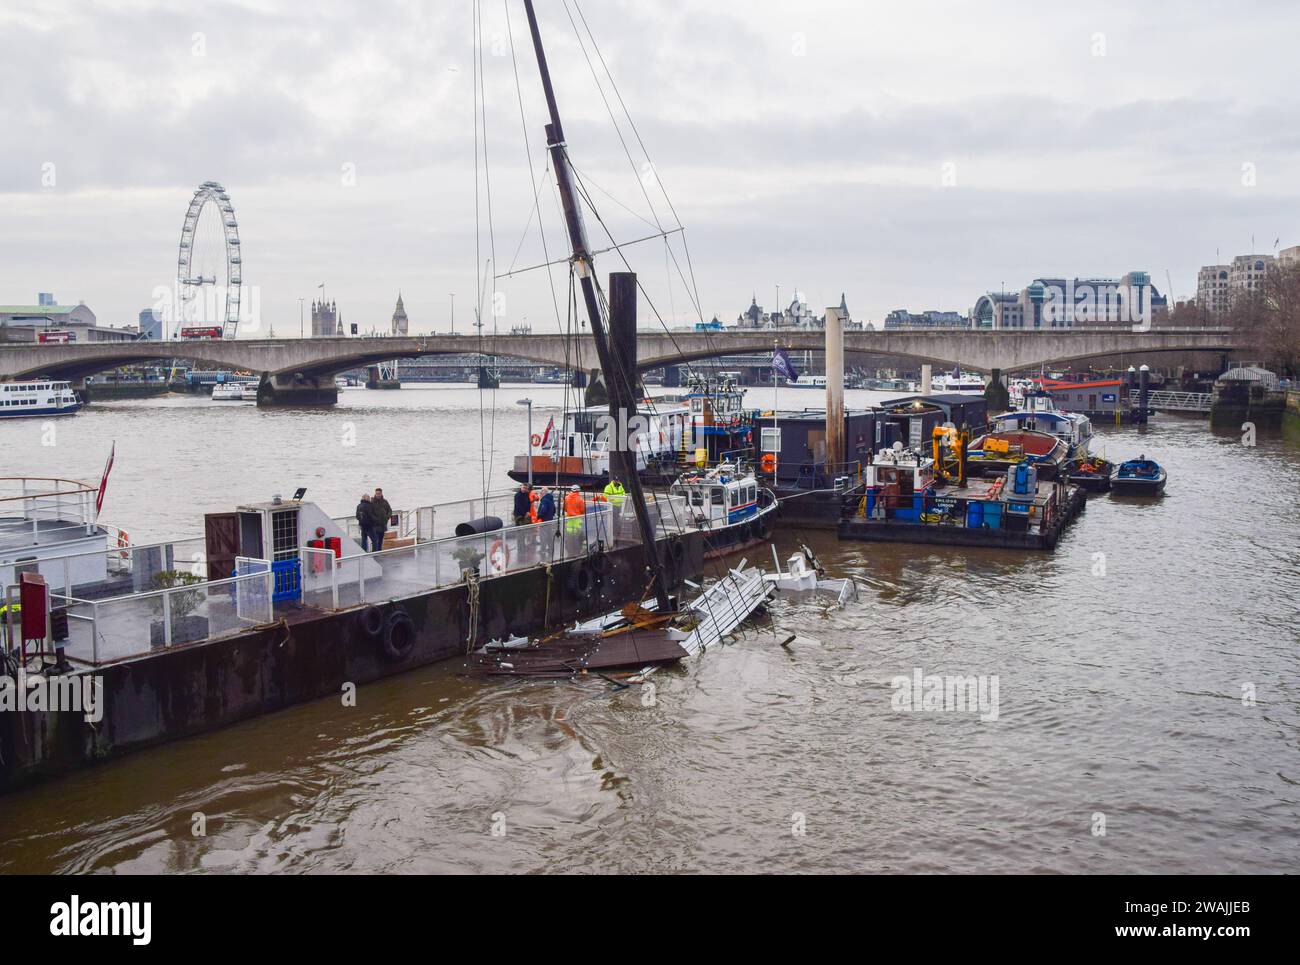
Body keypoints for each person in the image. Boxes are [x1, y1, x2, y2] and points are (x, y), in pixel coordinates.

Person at [370, 487, 392, 552]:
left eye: (379, 493)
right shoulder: (372, 502)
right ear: (375, 493)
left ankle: (379, 552)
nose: (378, 495)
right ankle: (375, 553)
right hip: (375, 525)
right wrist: (375, 519)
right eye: (377, 493)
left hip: (383, 524)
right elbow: (370, 513)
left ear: (381, 493)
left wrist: (387, 517)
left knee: (380, 540)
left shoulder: (385, 502)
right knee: (375, 540)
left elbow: (390, 510)